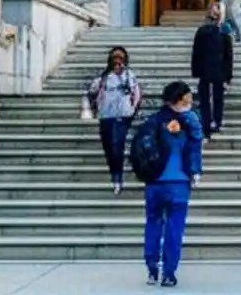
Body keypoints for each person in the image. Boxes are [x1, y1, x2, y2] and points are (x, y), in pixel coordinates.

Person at [141, 81, 204, 288]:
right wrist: (195, 172)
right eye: (187, 96)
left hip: (154, 180)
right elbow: (196, 144)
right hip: (179, 181)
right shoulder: (189, 121)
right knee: (175, 227)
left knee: (152, 223)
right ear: (181, 99)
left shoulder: (153, 120)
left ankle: (151, 269)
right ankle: (169, 272)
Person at [84, 46, 141, 195]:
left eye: (120, 59)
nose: (117, 62)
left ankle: (117, 178)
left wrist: (133, 109)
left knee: (117, 145)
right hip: (105, 115)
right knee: (108, 146)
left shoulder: (129, 75)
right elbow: (92, 92)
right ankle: (114, 174)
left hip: (123, 115)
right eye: (115, 59)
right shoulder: (103, 77)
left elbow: (137, 93)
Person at [190, 2, 233, 141]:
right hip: (206, 71)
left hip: (218, 72)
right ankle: (207, 124)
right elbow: (196, 52)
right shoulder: (203, 32)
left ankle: (216, 122)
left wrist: (228, 76)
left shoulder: (224, 32)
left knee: (217, 98)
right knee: (205, 99)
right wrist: (196, 70)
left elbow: (228, 56)